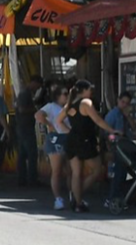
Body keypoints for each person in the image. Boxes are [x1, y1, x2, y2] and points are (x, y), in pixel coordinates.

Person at [63, 80, 118, 214]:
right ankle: (78, 196)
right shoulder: (85, 103)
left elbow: (58, 120)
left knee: (76, 173)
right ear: (84, 90)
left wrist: (69, 131)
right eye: (89, 89)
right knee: (97, 169)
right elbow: (98, 121)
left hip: (72, 140)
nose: (91, 91)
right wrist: (112, 130)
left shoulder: (70, 104)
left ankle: (77, 202)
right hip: (85, 140)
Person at [39, 85, 70, 209]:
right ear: (58, 96)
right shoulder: (51, 106)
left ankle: (73, 196)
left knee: (70, 170)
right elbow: (38, 115)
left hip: (68, 138)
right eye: (65, 94)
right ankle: (58, 198)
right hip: (56, 138)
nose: (67, 96)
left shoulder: (68, 108)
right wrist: (49, 124)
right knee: (57, 170)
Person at [105, 90, 133, 211]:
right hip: (116, 147)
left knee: (124, 174)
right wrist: (112, 142)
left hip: (126, 147)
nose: (124, 105)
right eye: (123, 102)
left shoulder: (126, 115)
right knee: (118, 174)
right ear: (118, 101)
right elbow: (106, 133)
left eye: (127, 103)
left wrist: (128, 116)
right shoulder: (113, 115)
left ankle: (121, 196)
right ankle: (111, 198)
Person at [14, 75, 44, 188]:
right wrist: (35, 109)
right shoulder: (25, 94)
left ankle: (22, 179)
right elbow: (22, 109)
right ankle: (32, 179)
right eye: (38, 86)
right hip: (25, 127)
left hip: (23, 127)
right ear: (34, 83)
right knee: (31, 153)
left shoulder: (25, 93)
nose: (37, 89)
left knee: (22, 154)